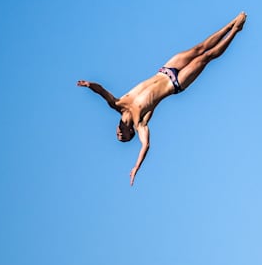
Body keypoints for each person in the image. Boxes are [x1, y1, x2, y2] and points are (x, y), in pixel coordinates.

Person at [77, 11, 246, 184]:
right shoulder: (139, 123)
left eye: (117, 135)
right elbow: (146, 145)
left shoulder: (117, 104)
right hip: (176, 83)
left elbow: (101, 91)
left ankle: (230, 24)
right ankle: (235, 31)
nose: (119, 134)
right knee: (205, 57)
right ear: (130, 133)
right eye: (123, 138)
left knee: (199, 48)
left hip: (166, 69)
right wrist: (136, 166)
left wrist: (90, 85)